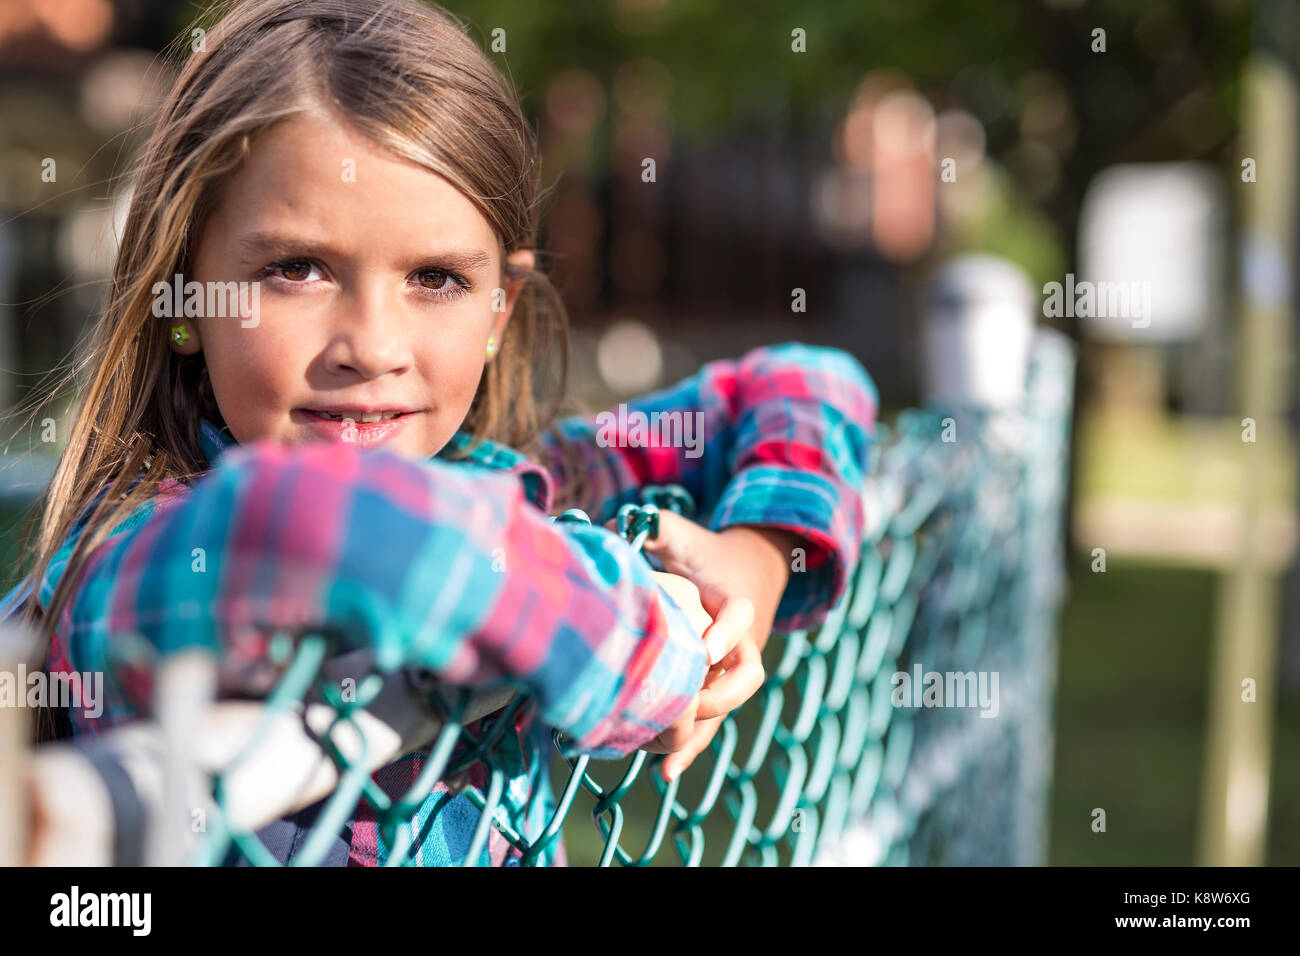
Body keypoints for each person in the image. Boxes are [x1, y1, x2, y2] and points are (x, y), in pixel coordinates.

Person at [4, 0, 878, 866]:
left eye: (435, 278)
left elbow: (807, 384)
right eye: (297, 269)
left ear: (501, 309)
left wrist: (758, 564)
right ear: (185, 297)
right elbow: (331, 530)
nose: (373, 347)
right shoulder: (132, 560)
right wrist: (645, 636)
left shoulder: (521, 477)